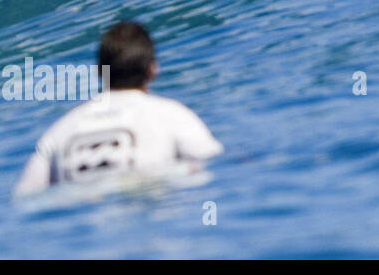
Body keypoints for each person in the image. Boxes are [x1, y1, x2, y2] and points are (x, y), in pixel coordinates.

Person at [13, 21, 223, 195]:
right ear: (153, 69)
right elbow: (213, 167)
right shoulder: (174, 115)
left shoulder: (58, 133)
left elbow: (25, 196)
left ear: (98, 72)